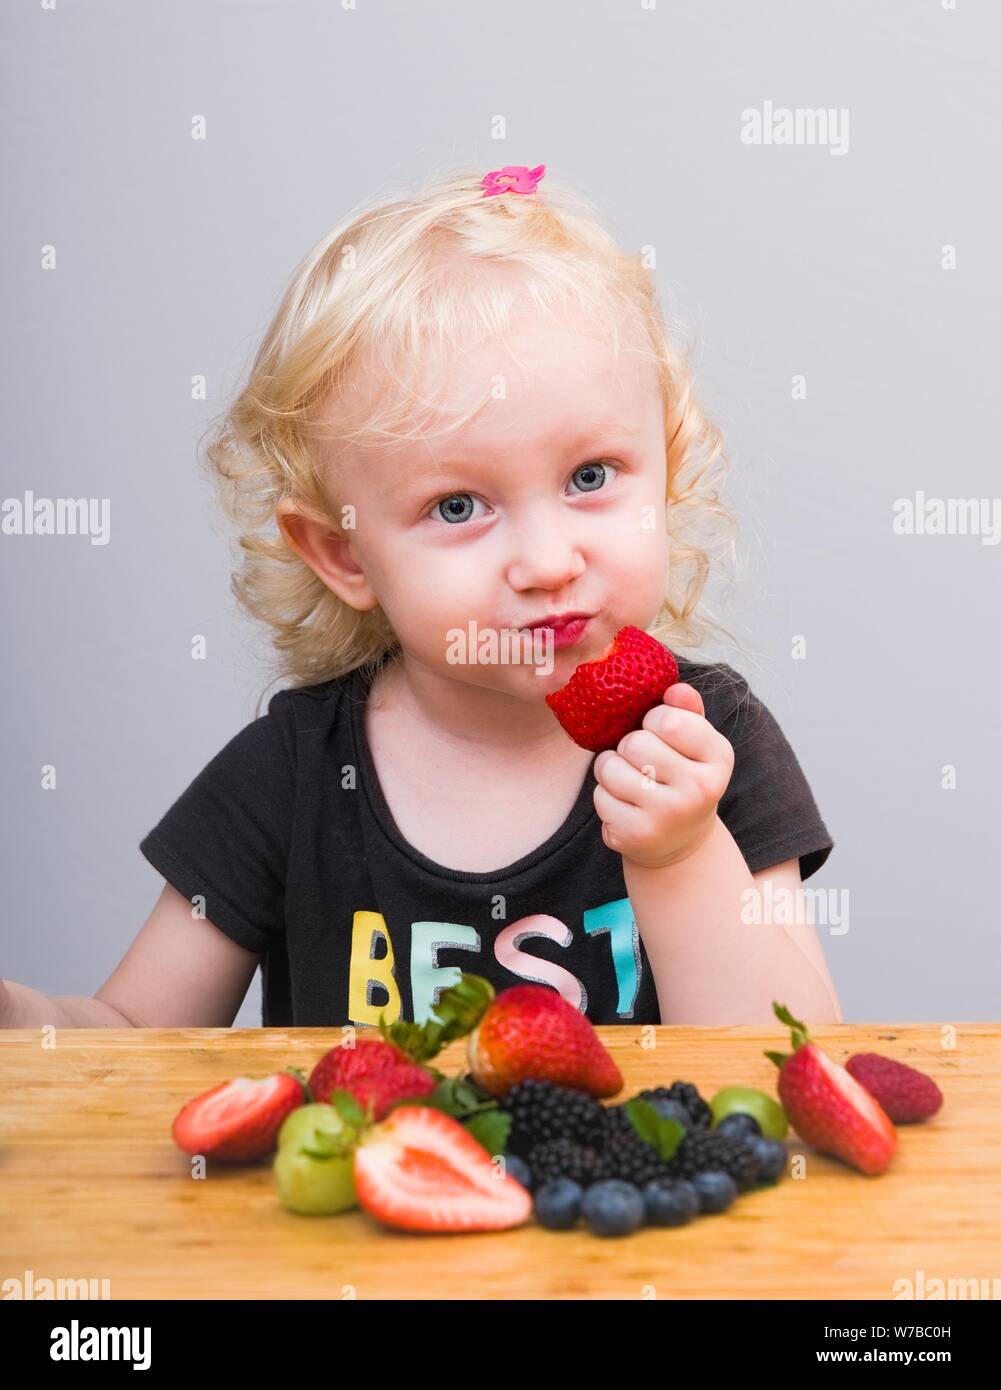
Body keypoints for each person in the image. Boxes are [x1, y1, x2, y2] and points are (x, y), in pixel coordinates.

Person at [1, 163, 840, 1030]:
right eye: (457, 507)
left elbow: (796, 1061)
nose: (548, 561)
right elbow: (134, 1038)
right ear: (343, 553)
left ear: (663, 468)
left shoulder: (711, 741)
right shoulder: (291, 773)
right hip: (375, 1168)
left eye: (590, 476)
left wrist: (683, 853)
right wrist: (21, 1021)